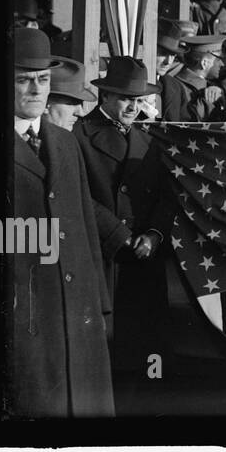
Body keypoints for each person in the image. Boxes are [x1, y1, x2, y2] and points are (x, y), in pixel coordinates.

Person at [7, 28, 113, 417]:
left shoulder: (65, 143)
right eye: (23, 79)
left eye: (44, 79)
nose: (36, 89)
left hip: (79, 317)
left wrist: (101, 308)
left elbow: (85, 227)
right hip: (27, 321)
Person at [73, 58, 168, 344]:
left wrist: (154, 234)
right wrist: (120, 236)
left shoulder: (149, 141)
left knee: (144, 354)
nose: (134, 108)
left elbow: (165, 196)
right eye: (126, 99)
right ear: (105, 95)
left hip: (143, 259)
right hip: (103, 256)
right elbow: (77, 195)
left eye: (139, 100)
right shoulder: (79, 135)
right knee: (107, 351)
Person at [159, 34, 226, 122]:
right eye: (218, 59)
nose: (222, 64)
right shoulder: (177, 88)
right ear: (204, 63)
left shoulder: (209, 86)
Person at [45, 57, 94, 129]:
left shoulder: (72, 138)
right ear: (45, 103)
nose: (81, 113)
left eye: (80, 103)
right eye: (71, 103)